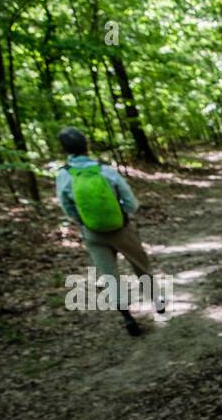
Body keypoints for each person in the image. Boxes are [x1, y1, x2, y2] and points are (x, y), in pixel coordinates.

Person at [54, 127, 164, 336]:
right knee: (140, 264)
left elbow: (66, 206)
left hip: (93, 232)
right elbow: (130, 201)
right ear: (86, 145)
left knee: (110, 275)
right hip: (121, 228)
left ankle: (127, 317)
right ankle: (158, 302)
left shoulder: (63, 175)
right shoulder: (106, 170)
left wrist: (82, 222)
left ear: (65, 150)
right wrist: (126, 215)